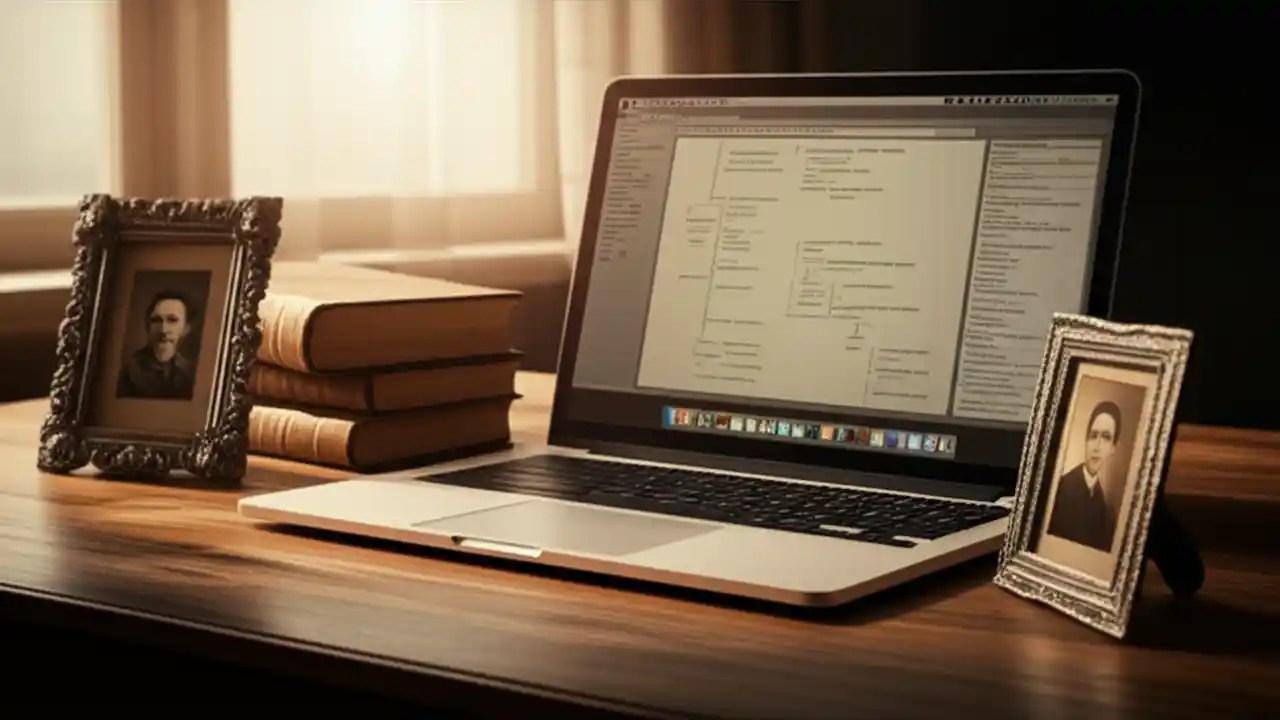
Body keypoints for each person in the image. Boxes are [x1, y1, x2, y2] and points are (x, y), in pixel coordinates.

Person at [1046, 400, 1123, 552]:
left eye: (1106, 437)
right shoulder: (1061, 488)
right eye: (1093, 436)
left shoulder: (1105, 506)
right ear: (1086, 440)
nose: (1097, 446)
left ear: (1113, 448)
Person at [117, 290, 198, 400]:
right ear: (147, 326)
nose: (163, 330)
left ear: (186, 329)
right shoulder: (129, 372)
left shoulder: (191, 373)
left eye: (172, 320)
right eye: (156, 320)